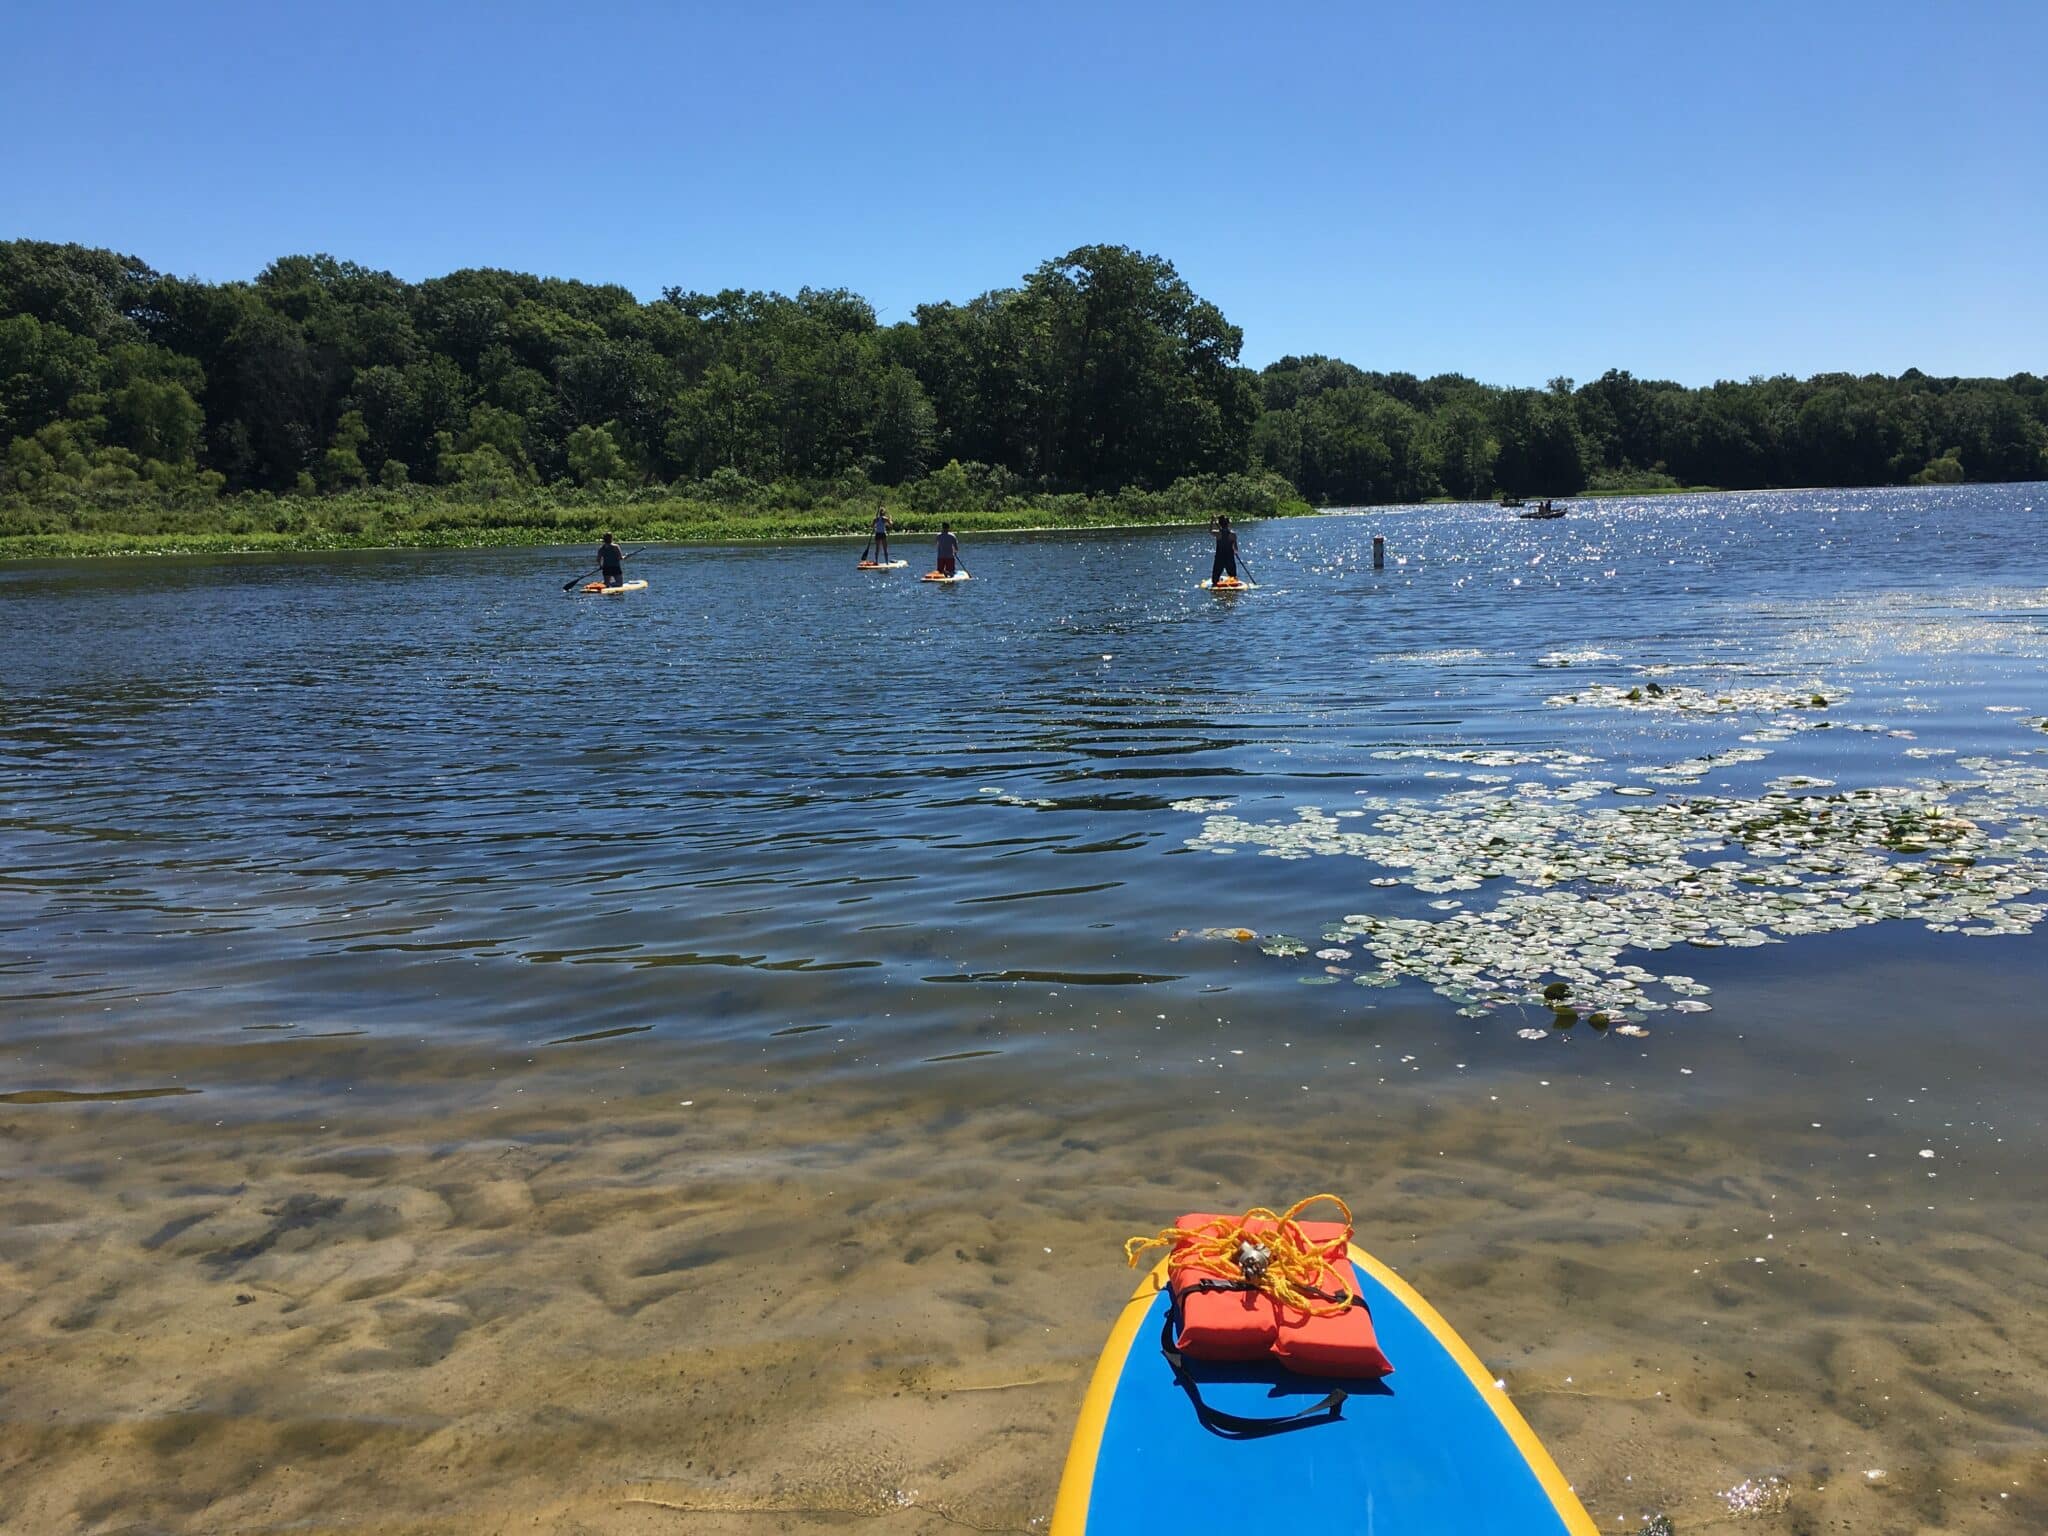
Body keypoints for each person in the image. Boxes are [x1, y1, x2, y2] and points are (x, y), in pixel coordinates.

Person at [1210, 515, 1239, 585]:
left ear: (1220, 524)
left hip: (1219, 558)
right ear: (1228, 524)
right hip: (1229, 558)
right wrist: (1235, 552)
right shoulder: (1233, 535)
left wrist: (1212, 522)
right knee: (1233, 576)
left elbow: (1210, 531)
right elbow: (1236, 549)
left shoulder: (1218, 534)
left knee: (1215, 580)